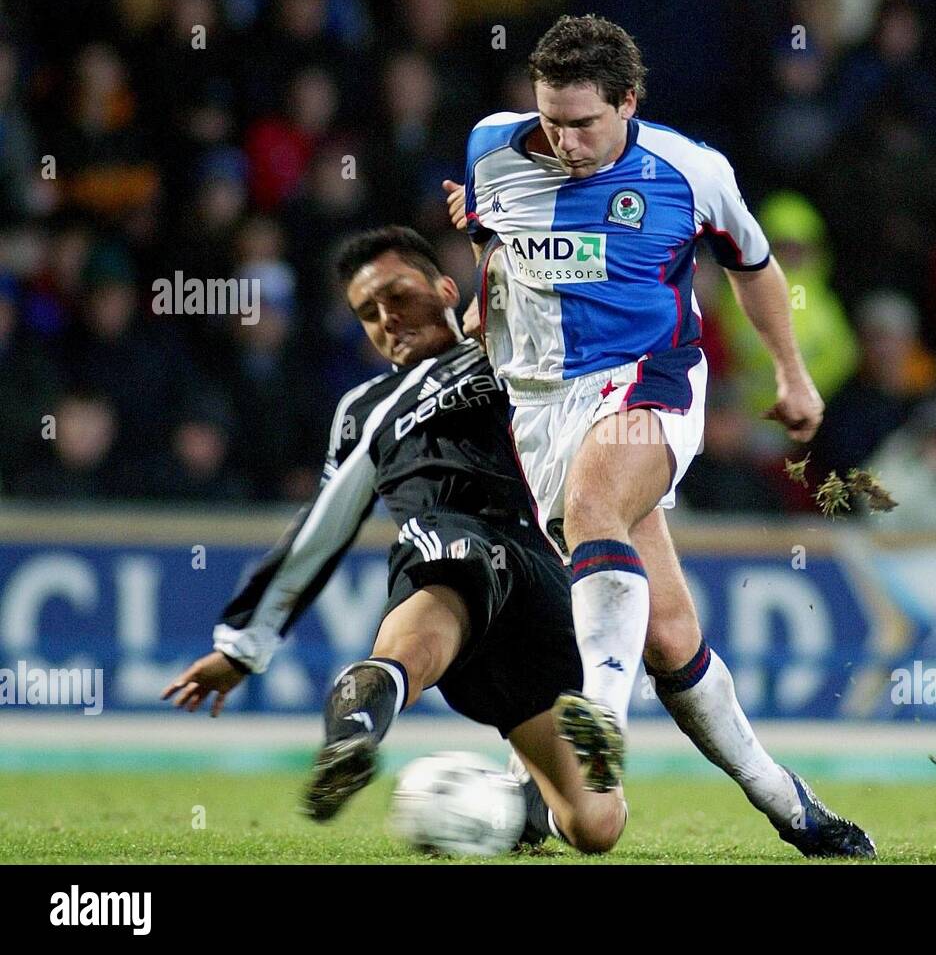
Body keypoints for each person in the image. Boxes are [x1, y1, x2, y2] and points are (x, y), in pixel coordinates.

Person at [442, 14, 872, 857]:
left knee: (597, 501)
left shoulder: (691, 170)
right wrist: (479, 305)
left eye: (584, 123)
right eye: (550, 120)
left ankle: (596, 722)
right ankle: (786, 800)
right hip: (537, 407)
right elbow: (498, 245)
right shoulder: (491, 147)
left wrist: (791, 373)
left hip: (649, 380)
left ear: (629, 102)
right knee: (671, 639)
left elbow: (754, 264)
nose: (563, 140)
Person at [162, 226, 625, 854]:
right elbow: (320, 529)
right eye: (367, 313)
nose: (386, 318)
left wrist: (498, 223)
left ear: (445, 288)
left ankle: (504, 809)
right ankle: (350, 741)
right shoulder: (366, 407)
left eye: (397, 295)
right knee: (419, 629)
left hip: (541, 577)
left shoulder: (516, 353)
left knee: (595, 827)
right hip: (447, 541)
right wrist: (243, 644)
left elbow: (569, 283)